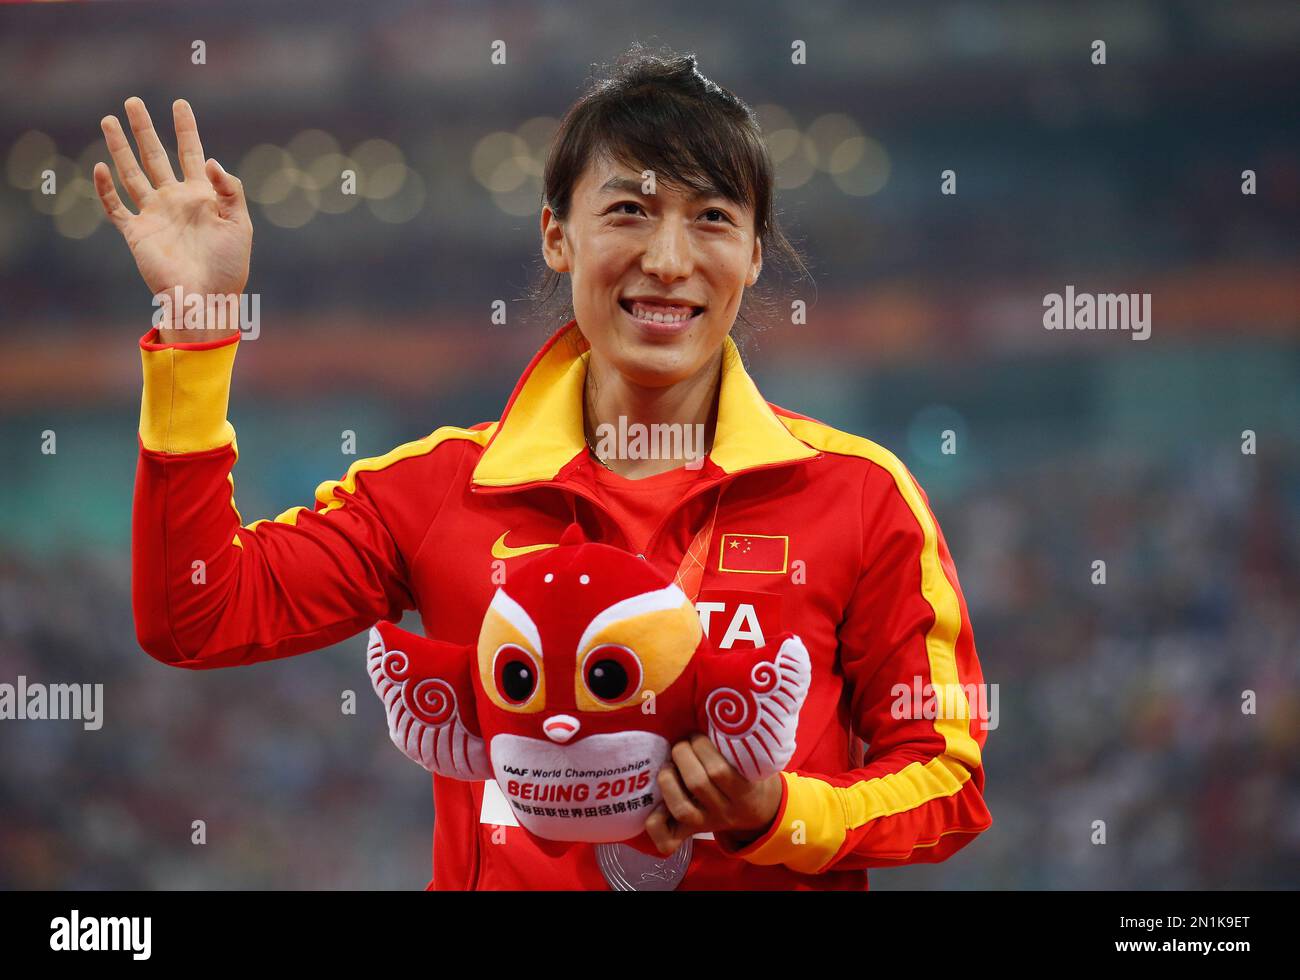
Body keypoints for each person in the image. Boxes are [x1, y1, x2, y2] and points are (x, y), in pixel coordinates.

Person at [96, 45, 992, 890]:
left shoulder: (859, 495)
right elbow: (195, 614)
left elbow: (948, 780)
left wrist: (784, 812)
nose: (669, 260)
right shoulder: (438, 490)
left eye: (712, 217)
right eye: (629, 211)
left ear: (754, 255)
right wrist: (196, 327)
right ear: (557, 236)